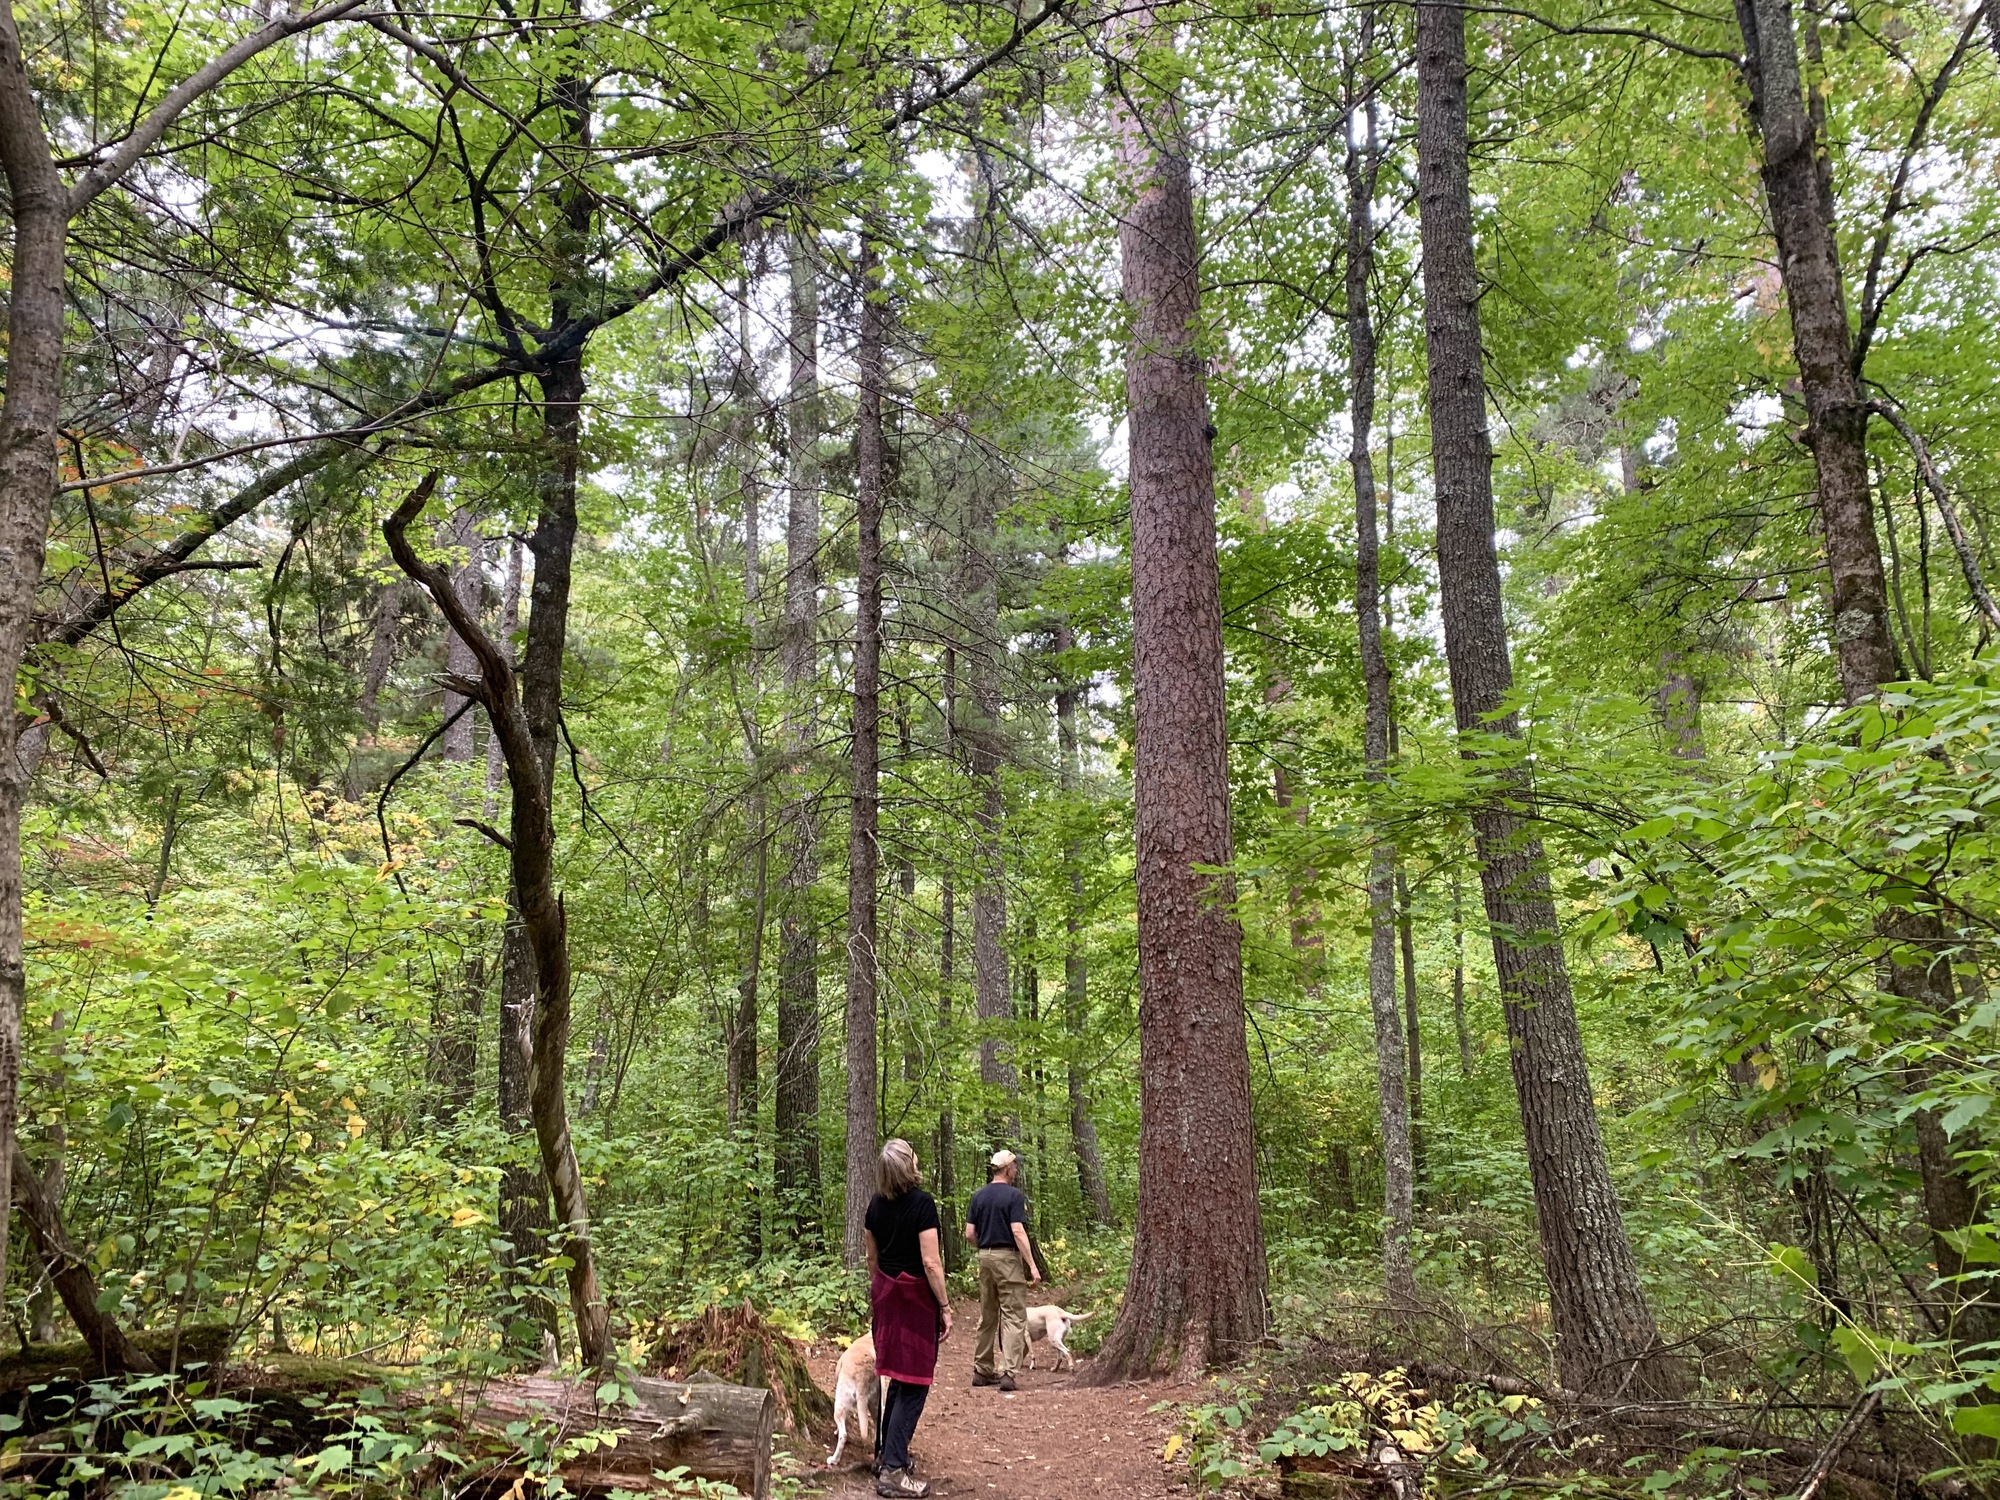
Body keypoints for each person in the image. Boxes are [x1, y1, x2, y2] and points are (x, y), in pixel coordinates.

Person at [865, 1138, 953, 1499]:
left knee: (898, 1379)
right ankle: (893, 1470)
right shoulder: (922, 1204)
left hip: (887, 1295)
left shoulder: (874, 1205)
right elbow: (931, 1263)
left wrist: (880, 1293)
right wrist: (945, 1307)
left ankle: (886, 1455)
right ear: (908, 1166)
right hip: (916, 1300)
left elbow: (872, 1260)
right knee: (914, 1382)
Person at [964, 1148, 1039, 1391]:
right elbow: (1017, 1230)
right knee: (1014, 1315)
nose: (1016, 1170)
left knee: (988, 1314)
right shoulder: (1014, 1196)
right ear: (1007, 1169)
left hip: (984, 1257)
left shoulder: (978, 1196)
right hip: (1007, 1257)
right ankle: (1008, 1372)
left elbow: (969, 1234)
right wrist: (1032, 1266)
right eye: (1015, 1167)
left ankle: (982, 1369)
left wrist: (986, 1248)